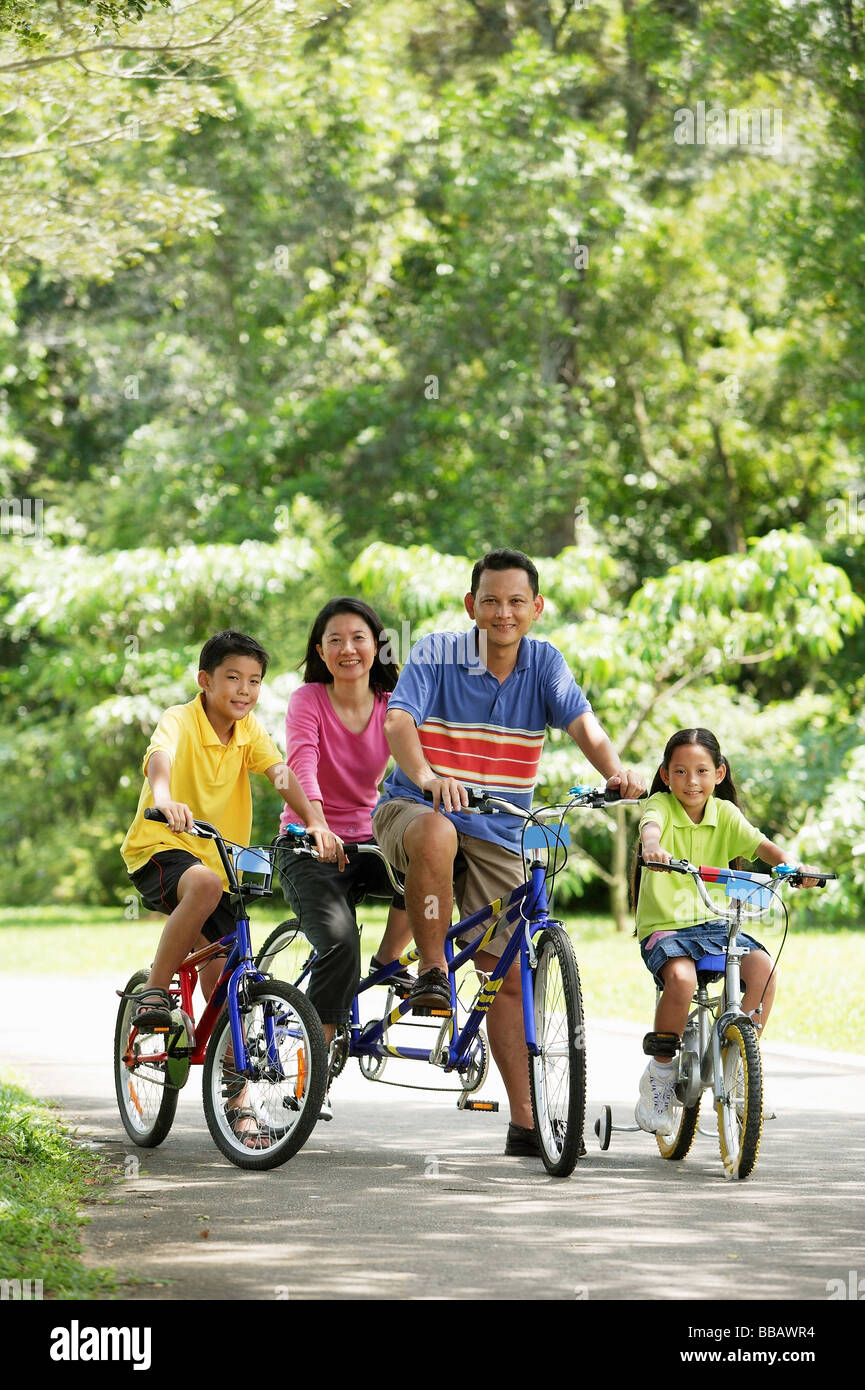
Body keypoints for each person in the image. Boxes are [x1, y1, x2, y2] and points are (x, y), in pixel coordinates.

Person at [372, 548, 644, 1157]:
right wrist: (425, 776)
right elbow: (398, 724)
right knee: (439, 833)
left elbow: (584, 726)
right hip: (413, 808)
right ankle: (433, 974)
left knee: (511, 972)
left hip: (499, 827)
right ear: (472, 605)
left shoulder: (544, 661)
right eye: (490, 600)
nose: (503, 612)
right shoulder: (438, 652)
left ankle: (527, 1123)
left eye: (516, 601)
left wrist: (617, 771)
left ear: (536, 608)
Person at [121, 630, 343, 1145]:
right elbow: (161, 760)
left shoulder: (248, 733)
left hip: (220, 865)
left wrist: (314, 820)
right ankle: (155, 990)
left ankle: (238, 1105)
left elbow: (281, 773)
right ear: (206, 680)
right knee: (200, 885)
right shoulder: (180, 719)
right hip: (161, 849)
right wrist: (165, 798)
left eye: (255, 681)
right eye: (233, 678)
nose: (244, 690)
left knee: (228, 992)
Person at [633, 726, 820, 1135]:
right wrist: (652, 847)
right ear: (665, 775)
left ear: (719, 773)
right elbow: (650, 828)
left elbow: (763, 847)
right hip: (666, 926)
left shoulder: (726, 814)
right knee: (680, 981)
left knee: (763, 970)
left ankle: (737, 1064)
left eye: (701, 771)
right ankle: (660, 1077)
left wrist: (792, 864)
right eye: (680, 772)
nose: (692, 781)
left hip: (715, 924)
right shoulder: (660, 807)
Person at [274, 598, 413, 1113]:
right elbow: (300, 763)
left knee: (434, 870)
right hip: (309, 843)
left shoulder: (394, 703)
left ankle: (388, 959)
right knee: (337, 942)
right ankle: (318, 1061)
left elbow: (420, 763)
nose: (348, 649)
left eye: (359, 637)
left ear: (377, 645)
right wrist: (316, 823)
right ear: (320, 651)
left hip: (372, 841)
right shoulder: (308, 699)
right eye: (335, 640)